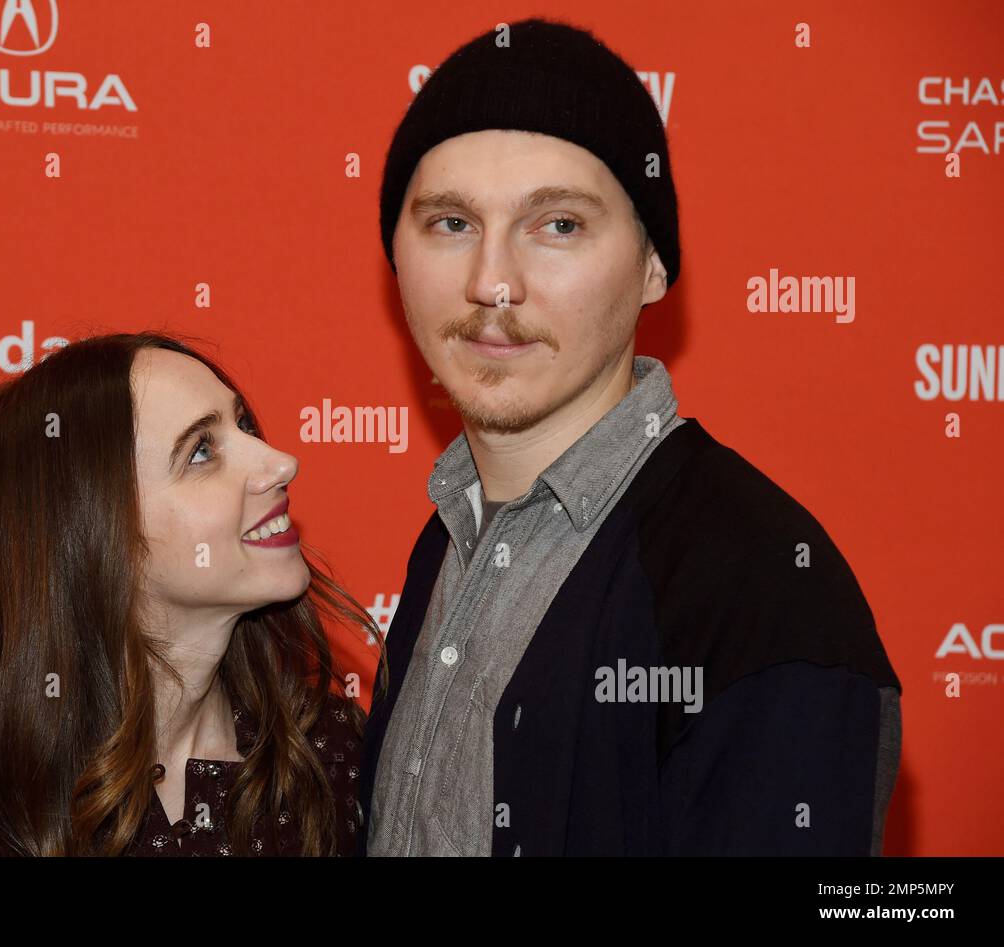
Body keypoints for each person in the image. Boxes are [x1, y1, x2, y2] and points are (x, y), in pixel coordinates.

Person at [359, 18, 902, 856]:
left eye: (560, 225)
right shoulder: (448, 540)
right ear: (394, 253)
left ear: (654, 265)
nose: (491, 281)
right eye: (451, 223)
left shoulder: (760, 587)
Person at [0, 332, 381, 856]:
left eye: (246, 427)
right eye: (201, 451)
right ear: (89, 535)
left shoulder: (326, 754)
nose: (281, 462)